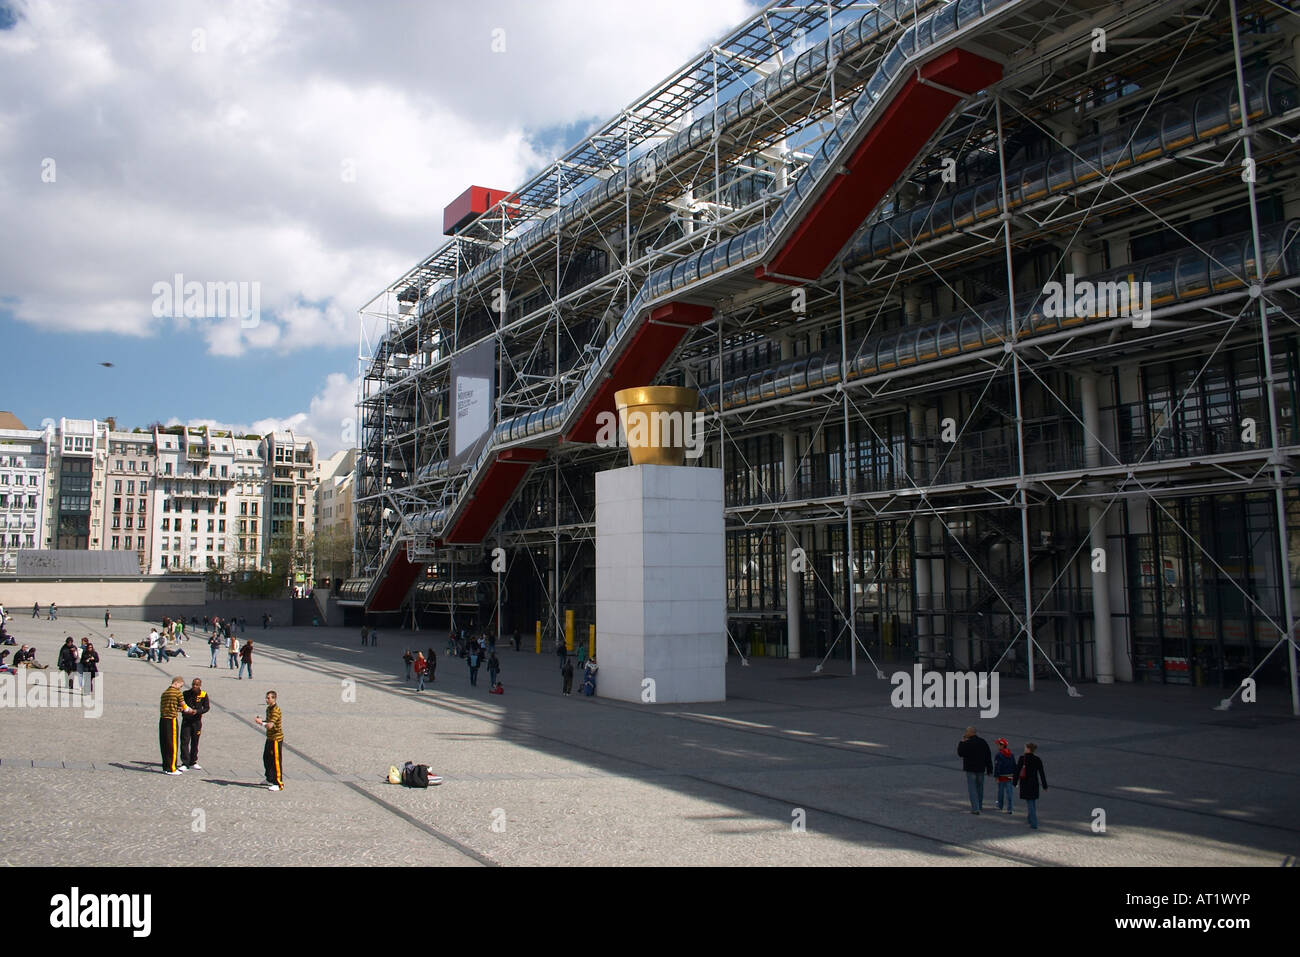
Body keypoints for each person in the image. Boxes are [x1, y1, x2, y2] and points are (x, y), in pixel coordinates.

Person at [159, 677, 196, 775]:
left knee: (165, 744)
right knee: (173, 744)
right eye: (181, 685)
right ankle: (172, 768)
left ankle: (166, 766)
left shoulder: (165, 693)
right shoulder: (177, 693)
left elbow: (169, 706)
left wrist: (177, 708)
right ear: (176, 683)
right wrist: (192, 711)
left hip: (163, 720)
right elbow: (185, 707)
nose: (180, 688)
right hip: (171, 720)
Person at [957, 726, 994, 814]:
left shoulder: (967, 743)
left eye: (966, 731)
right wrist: (989, 769)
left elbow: (960, 753)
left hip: (970, 769)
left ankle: (975, 808)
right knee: (980, 788)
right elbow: (988, 756)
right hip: (981, 768)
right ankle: (979, 806)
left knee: (972, 788)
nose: (965, 733)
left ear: (970, 733)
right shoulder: (982, 742)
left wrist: (961, 742)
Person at [255, 690, 284, 791]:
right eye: (266, 698)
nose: (267, 700)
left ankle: (278, 783)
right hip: (269, 737)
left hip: (276, 738)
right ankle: (269, 778)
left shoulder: (276, 710)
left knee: (276, 760)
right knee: (267, 758)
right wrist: (262, 721)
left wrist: (261, 723)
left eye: (269, 698)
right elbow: (268, 721)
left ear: (274, 699)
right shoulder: (269, 709)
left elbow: (270, 725)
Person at [1015, 743, 1048, 829]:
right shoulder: (1037, 759)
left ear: (1028, 749)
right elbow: (1041, 773)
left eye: (1025, 748)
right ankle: (1030, 818)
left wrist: (1014, 782)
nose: (1024, 749)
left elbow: (1017, 771)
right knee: (1032, 801)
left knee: (1030, 803)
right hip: (1034, 783)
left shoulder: (1022, 759)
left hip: (1025, 783)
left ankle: (1034, 823)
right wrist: (1044, 785)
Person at [180, 678, 210, 771]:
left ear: (200, 685)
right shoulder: (186, 693)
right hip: (186, 721)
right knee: (185, 741)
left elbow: (206, 708)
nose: (194, 686)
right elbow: (181, 704)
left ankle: (193, 761)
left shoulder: (203, 694)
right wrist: (183, 710)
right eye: (193, 684)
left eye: (197, 685)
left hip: (196, 721)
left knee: (195, 742)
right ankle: (185, 762)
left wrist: (197, 711)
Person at [994, 737, 1017, 814]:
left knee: (1001, 791)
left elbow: (997, 766)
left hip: (1002, 776)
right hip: (1010, 775)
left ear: (1002, 746)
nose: (997, 746)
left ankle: (1000, 805)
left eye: (998, 744)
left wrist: (996, 776)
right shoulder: (1011, 754)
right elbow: (1014, 765)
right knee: (1009, 792)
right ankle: (1010, 808)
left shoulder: (999, 755)